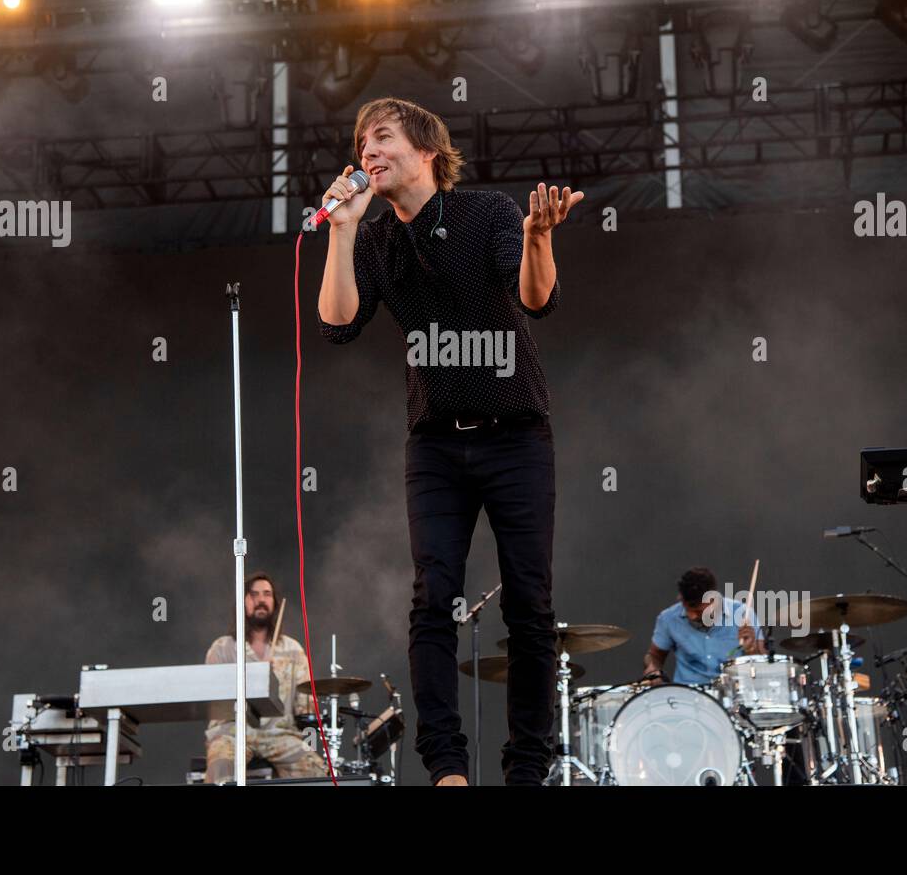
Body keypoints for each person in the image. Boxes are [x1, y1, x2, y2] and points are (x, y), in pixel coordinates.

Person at [316, 97, 583, 786]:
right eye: (361, 143)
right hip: (434, 443)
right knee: (433, 598)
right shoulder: (375, 240)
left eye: (382, 139)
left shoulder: (489, 214)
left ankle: (527, 768)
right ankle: (447, 769)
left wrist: (538, 238)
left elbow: (536, 299)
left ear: (427, 151)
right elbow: (338, 323)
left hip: (515, 434)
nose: (367, 151)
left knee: (530, 604)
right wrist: (341, 232)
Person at [203, 572, 326, 782]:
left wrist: (310, 740)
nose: (261, 599)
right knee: (220, 765)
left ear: (275, 603)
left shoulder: (292, 650)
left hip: (280, 735)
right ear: (242, 602)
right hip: (232, 733)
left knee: (316, 771)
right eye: (253, 594)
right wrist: (254, 679)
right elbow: (213, 705)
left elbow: (306, 708)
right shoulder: (222, 648)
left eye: (267, 594)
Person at [642, 566, 764, 685]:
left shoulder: (742, 613)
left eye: (699, 611)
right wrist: (653, 669)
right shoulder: (668, 618)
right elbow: (654, 655)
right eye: (688, 608)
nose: (692, 616)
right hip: (688, 697)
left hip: (733, 694)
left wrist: (752, 649)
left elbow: (764, 665)